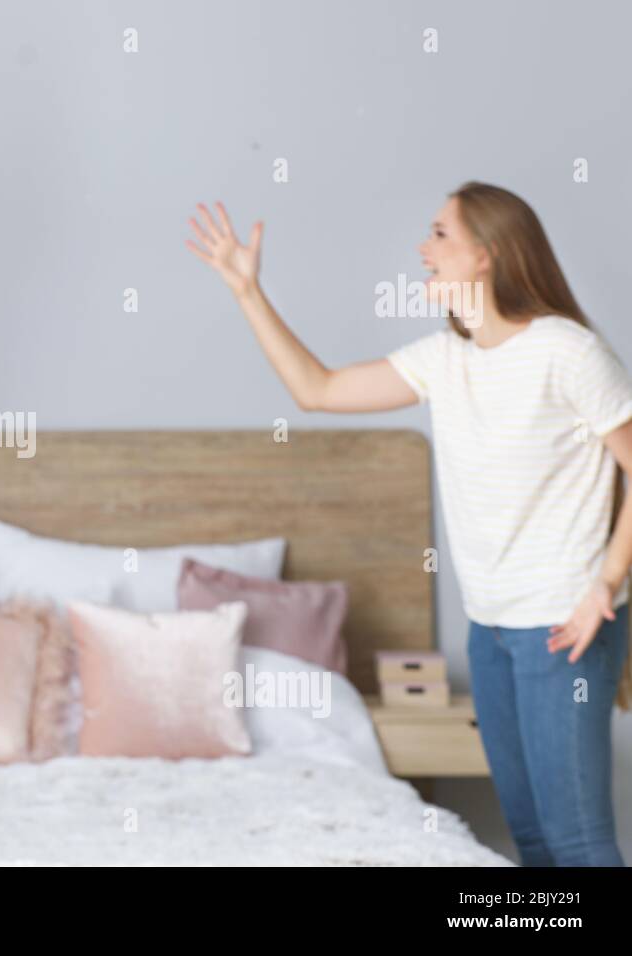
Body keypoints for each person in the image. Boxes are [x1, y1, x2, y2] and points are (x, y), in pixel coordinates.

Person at [185, 182, 632, 866]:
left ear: (485, 256)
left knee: (577, 839)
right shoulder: (445, 359)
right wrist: (248, 290)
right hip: (492, 628)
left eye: (440, 235)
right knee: (535, 839)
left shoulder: (565, 353)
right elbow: (318, 390)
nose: (423, 248)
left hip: (564, 624)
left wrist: (606, 582)